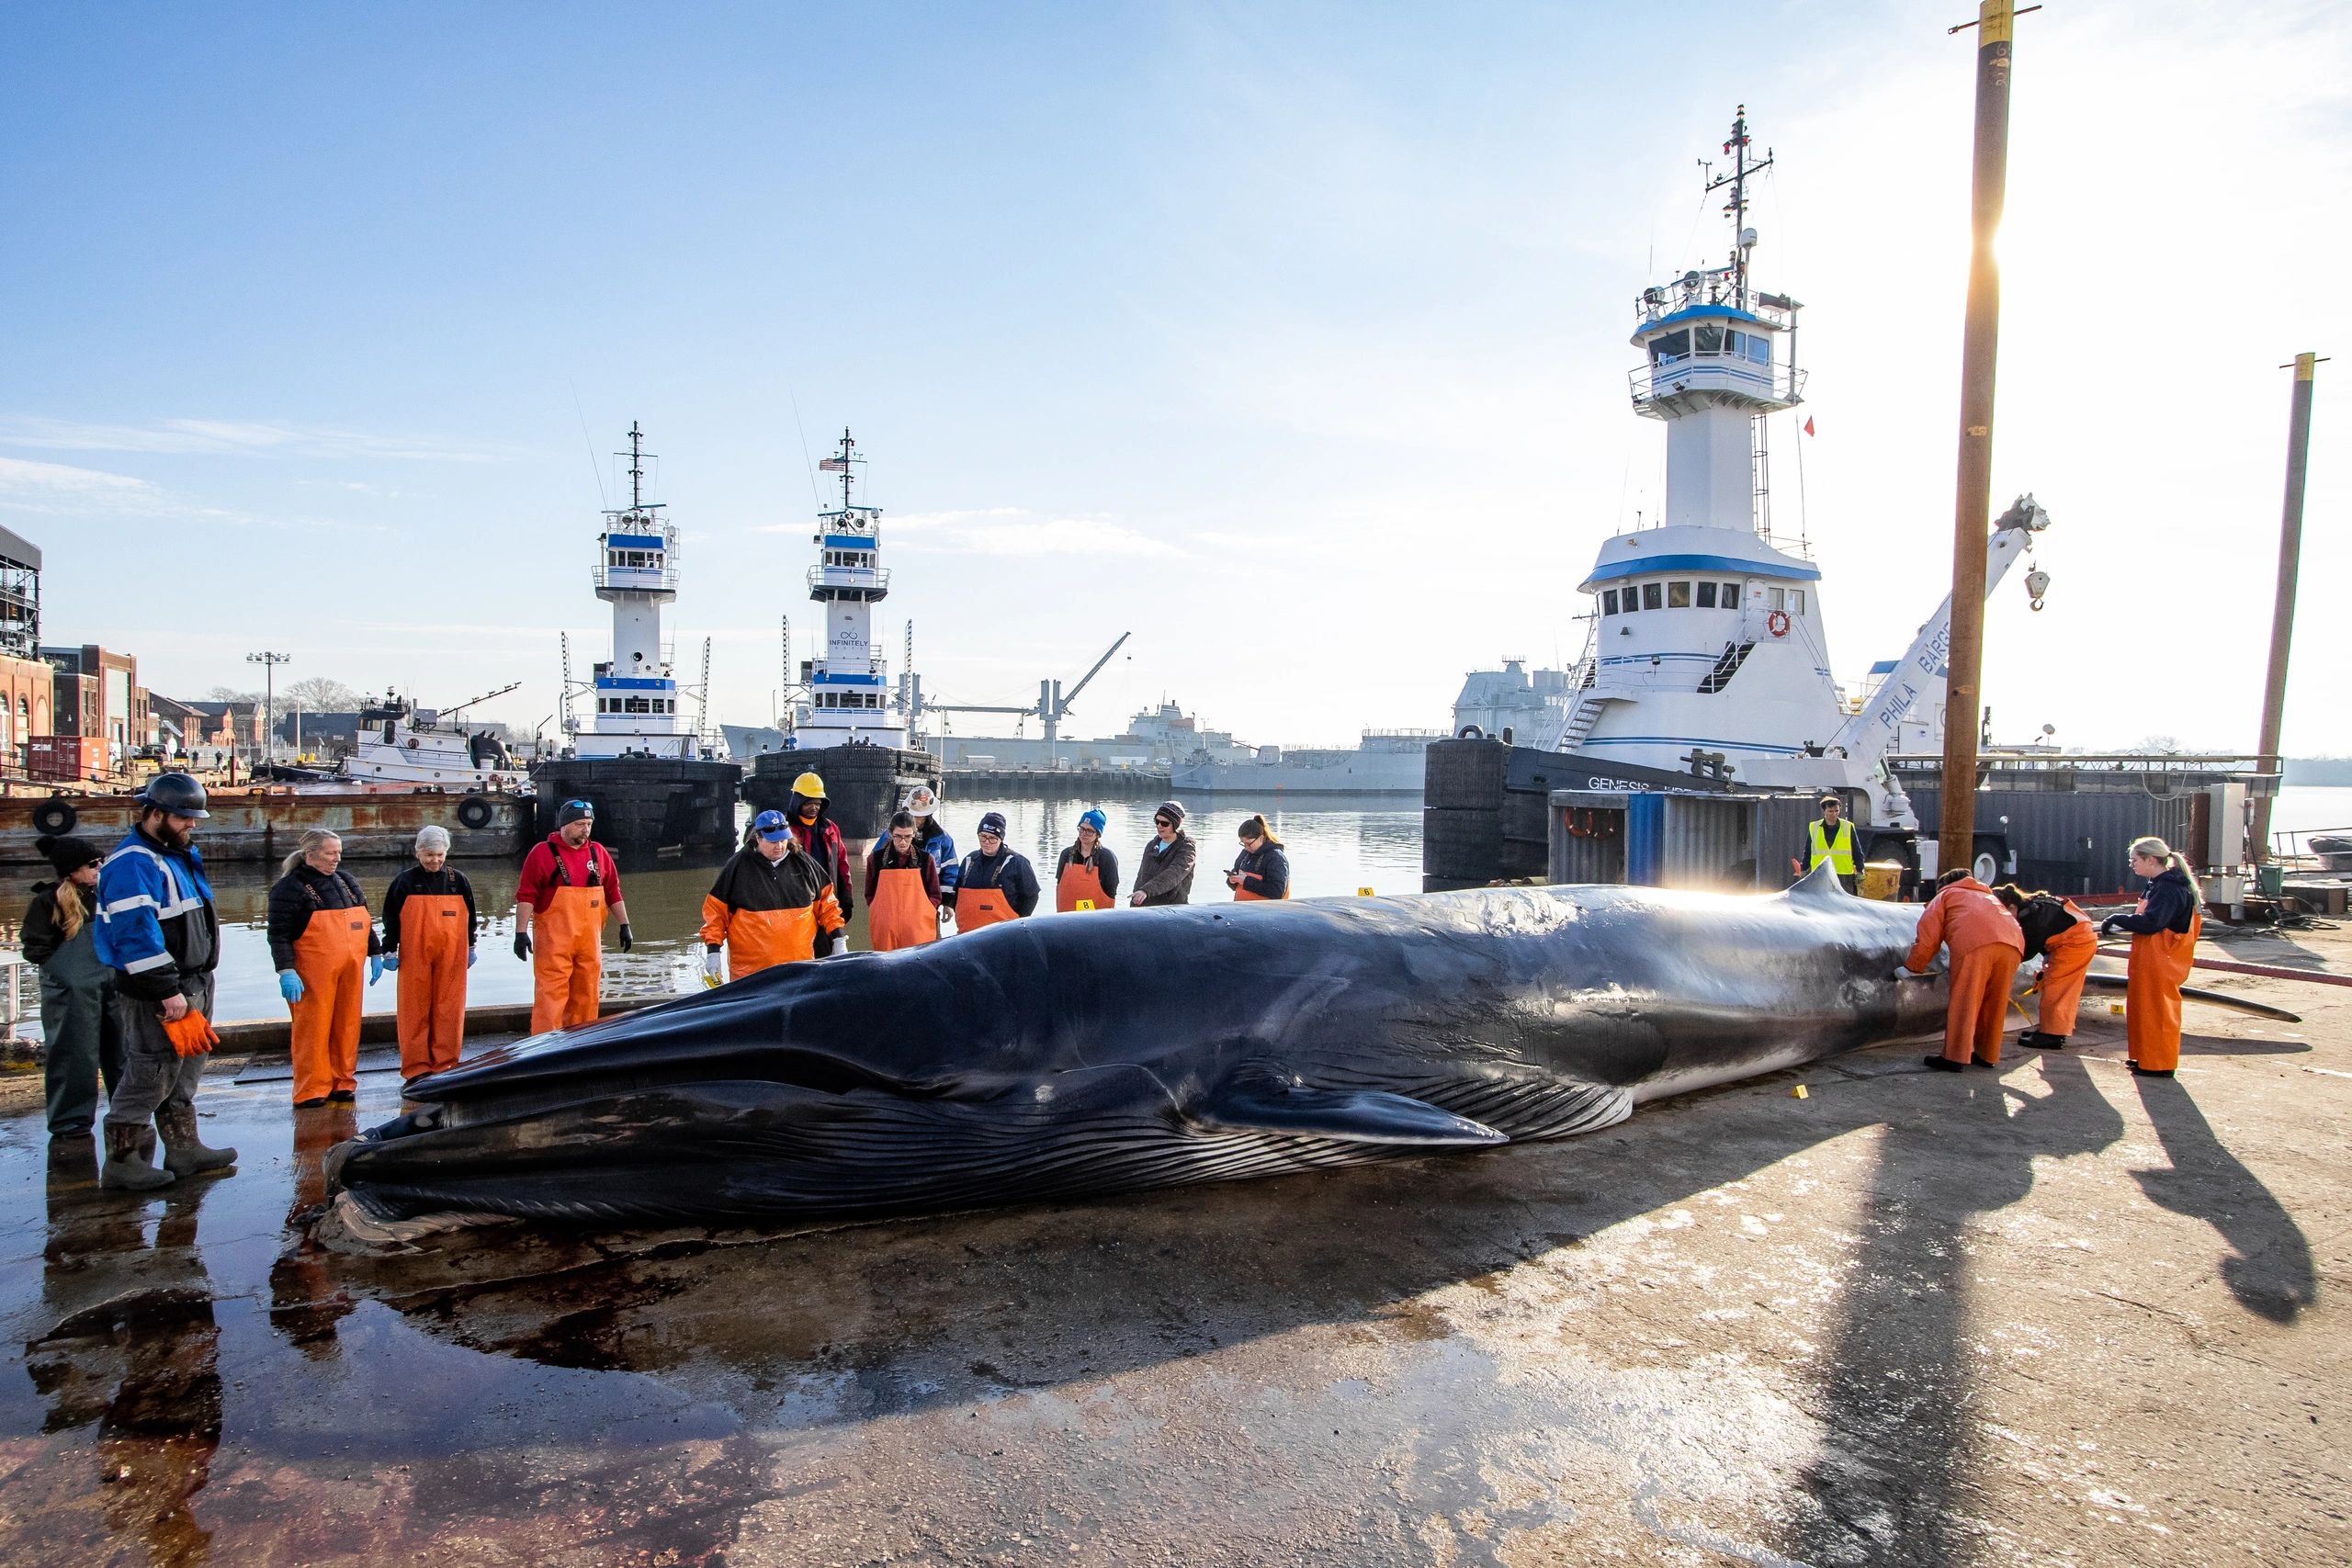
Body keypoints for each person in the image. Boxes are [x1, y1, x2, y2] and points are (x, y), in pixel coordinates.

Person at [91, 772, 238, 1191]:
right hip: (160, 989)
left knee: (186, 1066)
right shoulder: (134, 862)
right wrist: (166, 991)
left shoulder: (176, 854)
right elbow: (135, 934)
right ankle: (124, 1161)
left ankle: (184, 1149)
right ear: (155, 814)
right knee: (151, 1069)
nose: (192, 824)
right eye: (183, 818)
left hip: (192, 980)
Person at [268, 829, 382, 1108]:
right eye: (330, 853)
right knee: (313, 1029)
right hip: (311, 972)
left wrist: (376, 951)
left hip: (350, 967)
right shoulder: (289, 888)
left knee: (347, 1025)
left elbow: (364, 919)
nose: (336, 858)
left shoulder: (346, 881)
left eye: (339, 852)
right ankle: (311, 1089)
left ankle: (342, 1081)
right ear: (310, 854)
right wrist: (285, 970)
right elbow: (279, 933)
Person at [22, 835, 122, 1138]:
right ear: (71, 870)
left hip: (111, 985)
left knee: (122, 1052)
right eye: (92, 864)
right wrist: (67, 975)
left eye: (100, 862)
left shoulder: (104, 895)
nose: (98, 868)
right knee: (74, 1056)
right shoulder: (47, 901)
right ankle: (71, 1122)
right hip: (72, 993)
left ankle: (128, 1110)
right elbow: (34, 948)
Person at [514, 799, 632, 1033]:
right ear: (564, 825)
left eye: (588, 824)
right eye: (579, 824)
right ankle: (544, 1048)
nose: (585, 829)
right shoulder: (542, 853)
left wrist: (624, 924)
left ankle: (580, 1044)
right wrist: (520, 933)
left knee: (587, 993)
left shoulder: (598, 853)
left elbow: (613, 891)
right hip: (554, 941)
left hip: (589, 941)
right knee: (551, 994)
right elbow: (526, 895)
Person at [380, 824, 479, 1088]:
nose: (434, 860)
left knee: (450, 1009)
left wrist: (471, 946)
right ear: (417, 853)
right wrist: (388, 949)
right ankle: (416, 1067)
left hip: (452, 953)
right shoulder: (404, 882)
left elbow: (471, 917)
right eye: (429, 855)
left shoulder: (458, 881)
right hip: (415, 953)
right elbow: (390, 919)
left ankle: (446, 1063)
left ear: (446, 853)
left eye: (439, 854)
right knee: (414, 1009)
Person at [1902, 866, 2025, 1073]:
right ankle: (1988, 1055)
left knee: (1965, 1001)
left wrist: (1914, 966)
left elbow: (1928, 937)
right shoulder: (1989, 897)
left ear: (1943, 885)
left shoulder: (1946, 895)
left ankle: (1955, 1056)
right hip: (2013, 946)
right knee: (1995, 1002)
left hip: (1975, 946)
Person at [2099, 835, 2204, 1078]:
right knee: (2143, 1009)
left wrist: (2116, 919)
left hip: (2161, 960)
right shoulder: (2158, 884)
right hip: (2151, 958)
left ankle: (2160, 1063)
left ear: (2150, 859)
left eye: (2134, 859)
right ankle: (2146, 1058)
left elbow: (2152, 922)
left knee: (2157, 1011)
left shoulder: (2168, 888)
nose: (2131, 864)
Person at [699, 809, 846, 980]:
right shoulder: (737, 867)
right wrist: (713, 952)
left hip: (799, 970)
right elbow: (716, 914)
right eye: (773, 841)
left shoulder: (805, 864)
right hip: (749, 975)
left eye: (783, 839)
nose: (779, 846)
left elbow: (829, 906)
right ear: (758, 838)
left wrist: (839, 940)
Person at [1994, 882, 2098, 1052]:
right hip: (2070, 940)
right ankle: (2050, 1031)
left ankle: (2052, 1036)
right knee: (2055, 987)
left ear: (2012, 907)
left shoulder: (2033, 920)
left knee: (2057, 989)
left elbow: (2023, 953)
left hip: (2075, 943)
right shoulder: (2031, 907)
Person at [783, 771, 855, 930]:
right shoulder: (784, 832)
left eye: (817, 803)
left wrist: (846, 898)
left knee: (831, 951)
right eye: (809, 802)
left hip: (828, 906)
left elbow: (842, 866)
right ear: (797, 802)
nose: (814, 807)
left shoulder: (831, 829)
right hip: (797, 909)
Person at [948, 811, 1039, 931]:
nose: (986, 842)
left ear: (1001, 839)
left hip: (1003, 936)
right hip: (967, 934)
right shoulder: (969, 860)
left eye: (992, 838)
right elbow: (957, 894)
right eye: (982, 837)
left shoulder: (1016, 862)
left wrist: (1019, 923)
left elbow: (1031, 896)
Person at [865, 809, 942, 951]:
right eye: (898, 836)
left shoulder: (925, 860)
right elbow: (869, 894)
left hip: (918, 930)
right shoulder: (875, 860)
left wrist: (924, 913)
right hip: (885, 930)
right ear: (890, 833)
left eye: (907, 837)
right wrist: (882, 914)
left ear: (914, 833)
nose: (902, 842)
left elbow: (936, 895)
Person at [903, 784, 959, 920]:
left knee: (930, 941)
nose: (916, 819)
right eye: (913, 815)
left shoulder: (942, 839)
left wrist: (948, 903)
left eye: (920, 816)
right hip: (899, 901)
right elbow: (875, 866)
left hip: (929, 903)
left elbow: (950, 872)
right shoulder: (892, 835)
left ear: (928, 814)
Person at [1129, 800, 1197, 907]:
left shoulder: (1186, 848)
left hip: (1171, 911)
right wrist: (1135, 902)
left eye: (1165, 823)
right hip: (1145, 910)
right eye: (1157, 821)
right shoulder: (1151, 845)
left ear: (1175, 825)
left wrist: (1146, 891)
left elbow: (1173, 874)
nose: (1159, 826)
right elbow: (1141, 878)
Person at [1055, 807, 1120, 912]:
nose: (1084, 833)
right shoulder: (1066, 854)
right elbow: (1060, 885)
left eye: (1089, 831)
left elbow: (1111, 890)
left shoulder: (1107, 857)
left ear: (1098, 834)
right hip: (1066, 917)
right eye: (1082, 829)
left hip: (1097, 919)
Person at [1793, 795, 1859, 894]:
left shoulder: (1848, 827)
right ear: (1824, 811)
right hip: (1820, 874)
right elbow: (1808, 851)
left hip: (1842, 873)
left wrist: (1860, 870)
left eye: (1836, 811)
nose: (1834, 814)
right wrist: (1803, 869)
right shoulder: (1814, 827)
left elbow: (1857, 851)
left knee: (1843, 905)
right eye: (1831, 811)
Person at [1226, 813, 1291, 901]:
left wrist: (1245, 881)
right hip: (1241, 909)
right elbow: (1236, 875)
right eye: (1243, 844)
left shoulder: (1276, 857)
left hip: (1265, 912)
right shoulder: (1245, 853)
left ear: (1261, 838)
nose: (1246, 847)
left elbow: (1277, 892)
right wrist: (1232, 880)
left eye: (1249, 843)